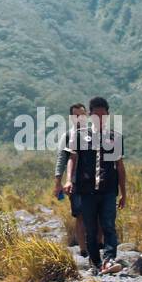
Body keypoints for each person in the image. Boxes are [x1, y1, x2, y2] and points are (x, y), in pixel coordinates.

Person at [64, 96, 126, 275]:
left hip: (108, 189)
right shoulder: (79, 136)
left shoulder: (115, 137)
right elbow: (72, 159)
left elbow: (120, 166)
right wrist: (68, 180)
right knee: (90, 228)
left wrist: (124, 193)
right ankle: (96, 262)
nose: (100, 118)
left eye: (103, 115)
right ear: (90, 115)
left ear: (108, 115)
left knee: (108, 225)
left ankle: (109, 259)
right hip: (86, 189)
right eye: (96, 115)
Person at [53, 103, 89, 256]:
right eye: (76, 115)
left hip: (95, 181)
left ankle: (99, 247)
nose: (79, 118)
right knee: (80, 215)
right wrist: (58, 183)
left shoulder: (95, 134)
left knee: (98, 215)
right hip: (74, 182)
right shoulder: (67, 136)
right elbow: (61, 159)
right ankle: (83, 250)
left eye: (82, 115)